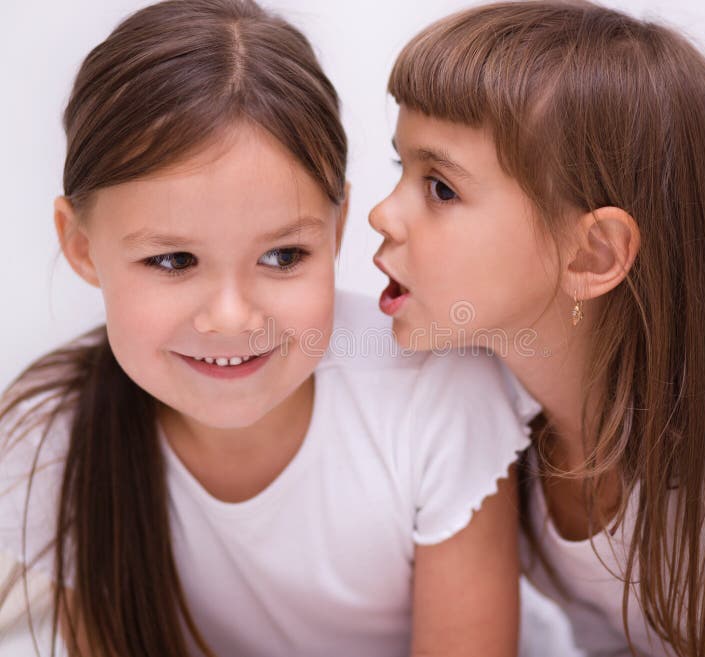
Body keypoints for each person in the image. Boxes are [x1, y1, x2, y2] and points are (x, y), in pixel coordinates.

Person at [0, 2, 533, 656]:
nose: (232, 318)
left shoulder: (436, 396)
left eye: (282, 256)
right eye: (173, 260)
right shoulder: (51, 439)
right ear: (81, 246)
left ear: (335, 231)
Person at [369, 2, 705, 655]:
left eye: (441, 187)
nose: (381, 213)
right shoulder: (518, 461)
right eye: (399, 167)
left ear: (591, 255)